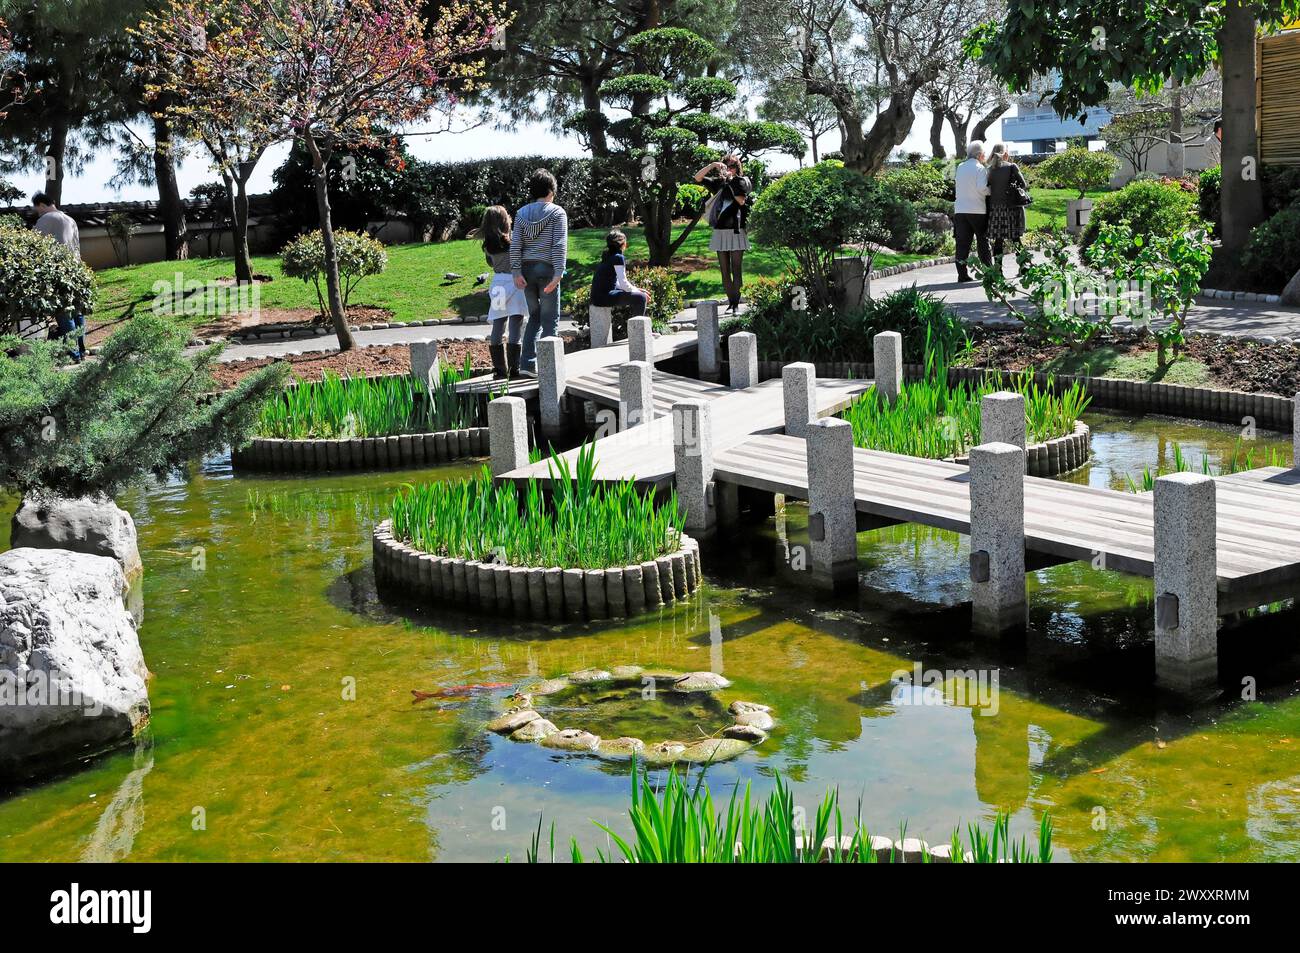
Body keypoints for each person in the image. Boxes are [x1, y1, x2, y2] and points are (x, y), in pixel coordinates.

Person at [510, 168, 568, 377]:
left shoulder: (521, 213)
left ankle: (526, 364)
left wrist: (516, 271)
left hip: (526, 271)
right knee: (550, 318)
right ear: (551, 190)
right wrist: (559, 273)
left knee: (534, 316)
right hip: (547, 269)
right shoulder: (557, 213)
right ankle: (549, 368)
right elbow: (559, 245)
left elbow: (515, 245)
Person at [31, 191, 85, 361]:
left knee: (63, 312)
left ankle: (73, 353)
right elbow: (77, 246)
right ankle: (82, 351)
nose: (38, 213)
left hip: (58, 271)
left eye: (37, 209)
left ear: (41, 205)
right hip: (76, 271)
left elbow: (33, 243)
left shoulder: (46, 219)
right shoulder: (71, 220)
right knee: (77, 313)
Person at [695, 154, 752, 313]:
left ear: (737, 168)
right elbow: (697, 177)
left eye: (733, 166)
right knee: (725, 270)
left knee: (736, 268)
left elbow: (741, 201)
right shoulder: (718, 183)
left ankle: (735, 305)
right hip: (720, 231)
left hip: (736, 230)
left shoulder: (740, 181)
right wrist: (713, 165)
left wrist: (730, 180)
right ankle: (730, 303)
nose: (729, 168)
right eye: (726, 165)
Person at [480, 206, 527, 379]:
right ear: (504, 220)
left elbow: (491, 265)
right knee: (516, 323)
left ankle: (499, 370)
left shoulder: (487, 246)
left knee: (498, 325)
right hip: (515, 284)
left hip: (498, 285)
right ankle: (514, 369)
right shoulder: (514, 240)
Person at [952, 141, 992, 284]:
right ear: (980, 155)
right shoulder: (980, 168)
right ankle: (989, 272)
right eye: (984, 154)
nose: (985, 157)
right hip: (977, 210)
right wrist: (991, 190)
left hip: (960, 210)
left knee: (962, 243)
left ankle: (962, 275)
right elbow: (982, 188)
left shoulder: (960, 167)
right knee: (983, 242)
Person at [985, 144, 1029, 271]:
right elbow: (1023, 184)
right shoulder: (1012, 167)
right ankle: (1023, 266)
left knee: (998, 241)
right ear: (1005, 153)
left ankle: (998, 270)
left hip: (995, 209)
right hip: (1011, 207)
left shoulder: (989, 169)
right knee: (1016, 238)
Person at [590, 229, 651, 320]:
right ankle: (637, 331)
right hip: (604, 297)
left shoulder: (608, 256)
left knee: (639, 294)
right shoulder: (618, 258)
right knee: (641, 298)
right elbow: (623, 283)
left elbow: (617, 282)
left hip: (597, 297)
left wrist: (636, 289)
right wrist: (639, 292)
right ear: (623, 244)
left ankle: (636, 329)